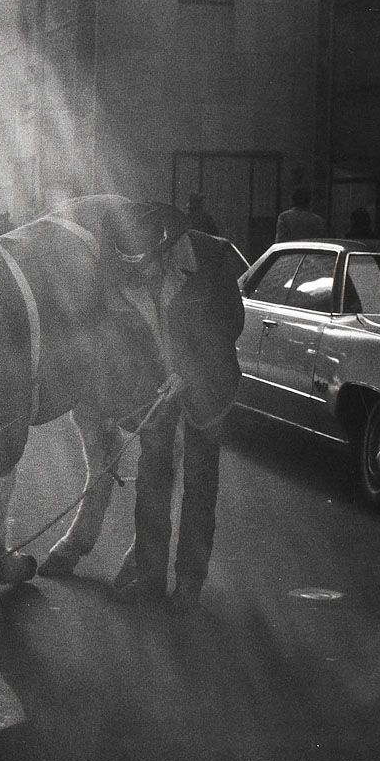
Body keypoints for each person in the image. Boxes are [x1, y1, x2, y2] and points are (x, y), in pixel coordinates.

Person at [97, 202, 244, 614]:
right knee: (151, 478)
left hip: (208, 385)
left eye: (144, 265)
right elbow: (125, 339)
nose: (137, 275)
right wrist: (123, 395)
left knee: (199, 486)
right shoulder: (122, 272)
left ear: (163, 250)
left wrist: (190, 369)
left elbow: (231, 323)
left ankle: (189, 586)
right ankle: (150, 574)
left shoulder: (210, 258)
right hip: (157, 387)